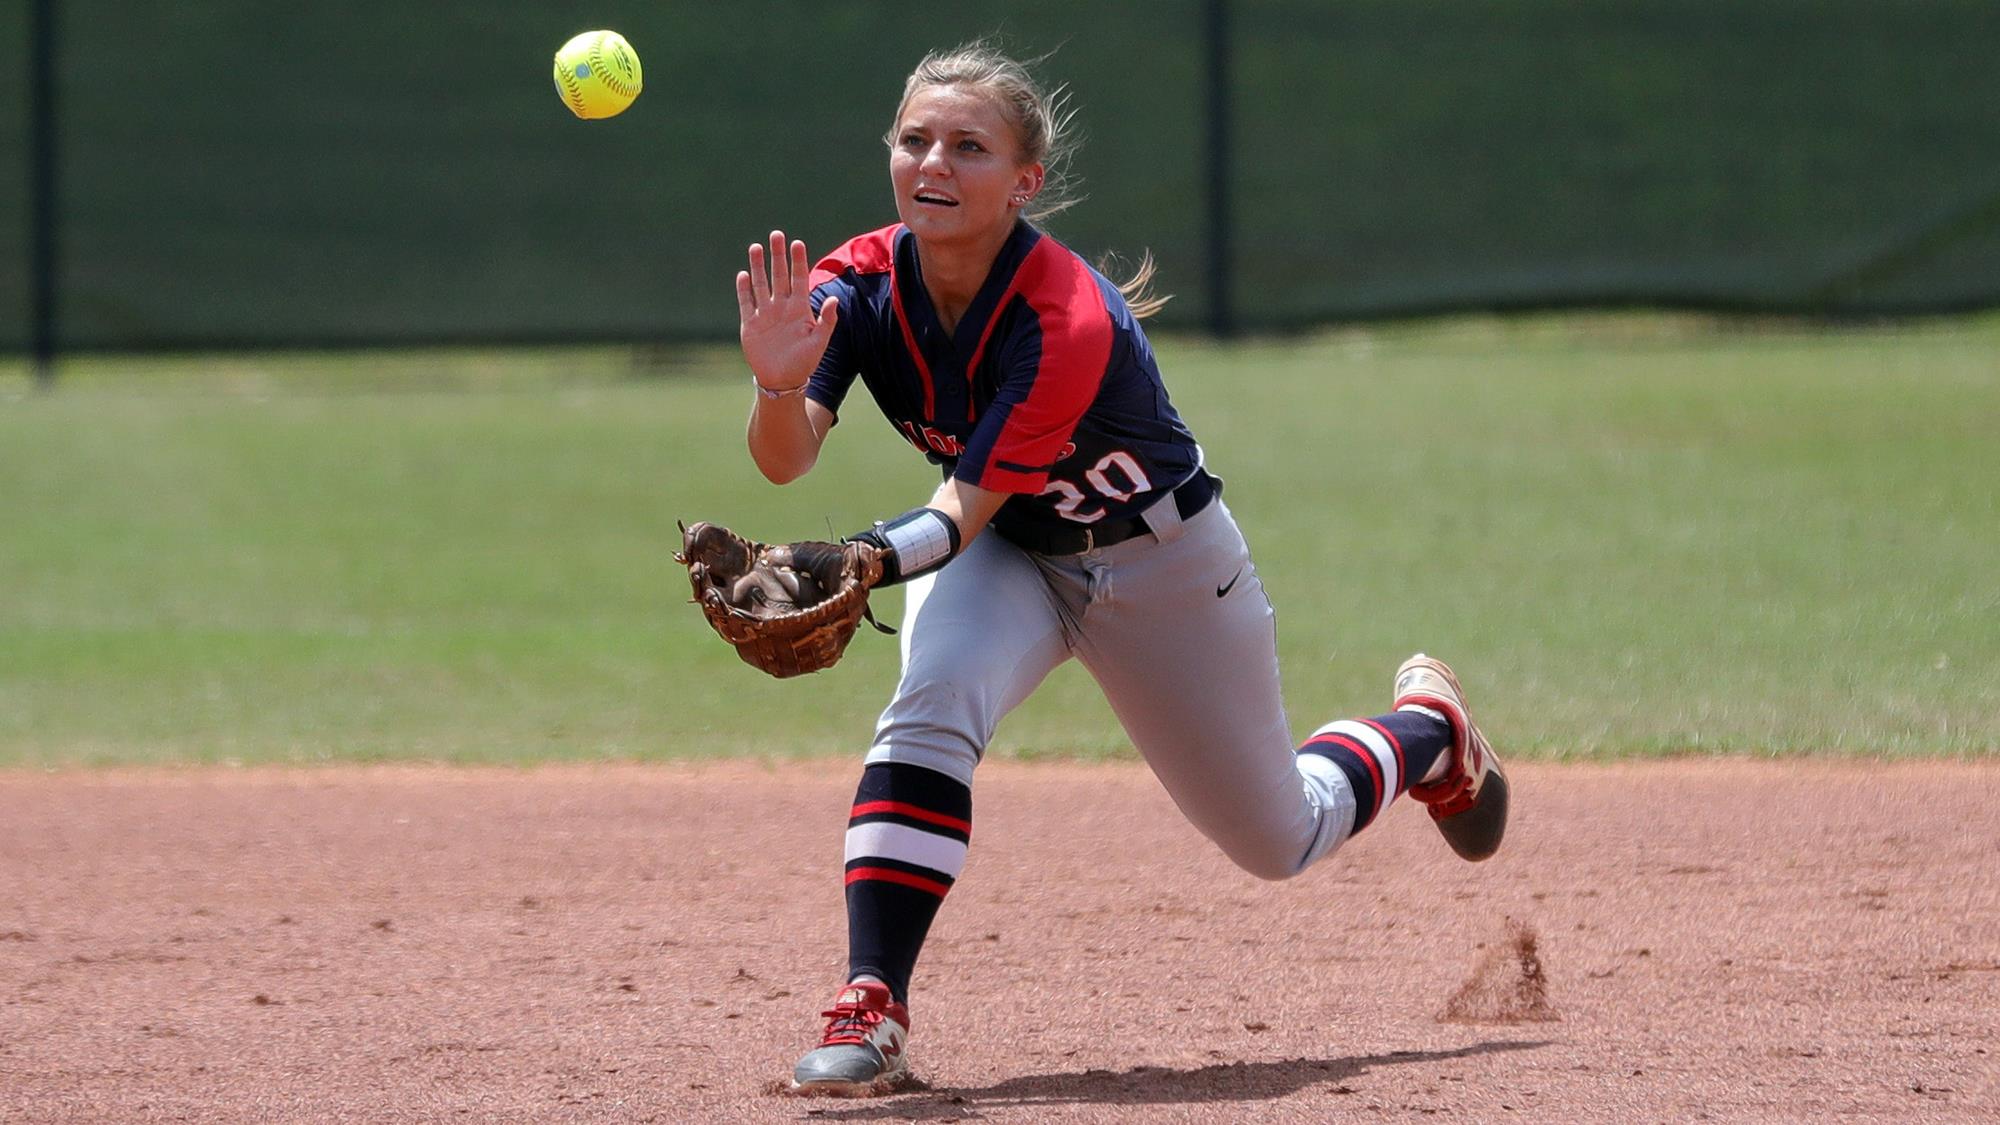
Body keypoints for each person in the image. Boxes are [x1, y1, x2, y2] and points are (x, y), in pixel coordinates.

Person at [731, 43, 1509, 1093]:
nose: (935, 162)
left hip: (1160, 566)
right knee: (929, 706)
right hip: (1007, 559)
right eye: (915, 140)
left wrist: (864, 557)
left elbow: (960, 508)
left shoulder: (1065, 314)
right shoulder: (854, 285)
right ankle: (871, 1005)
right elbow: (786, 462)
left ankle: (1428, 735)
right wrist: (778, 387)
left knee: (1279, 836)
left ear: (1024, 181)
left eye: (969, 146)